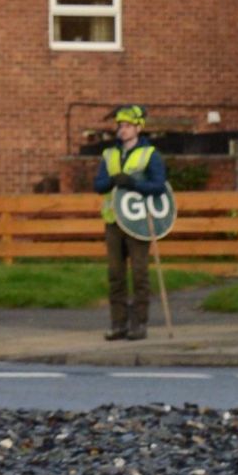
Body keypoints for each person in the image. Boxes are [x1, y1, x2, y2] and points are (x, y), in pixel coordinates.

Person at [93, 103, 168, 341]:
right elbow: (98, 185)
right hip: (114, 221)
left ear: (138, 128)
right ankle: (118, 324)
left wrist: (134, 184)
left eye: (127, 126)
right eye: (120, 126)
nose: (122, 130)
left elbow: (159, 186)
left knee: (139, 274)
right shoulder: (110, 154)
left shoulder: (150, 154)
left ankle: (139, 324)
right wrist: (115, 180)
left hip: (138, 223)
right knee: (115, 274)